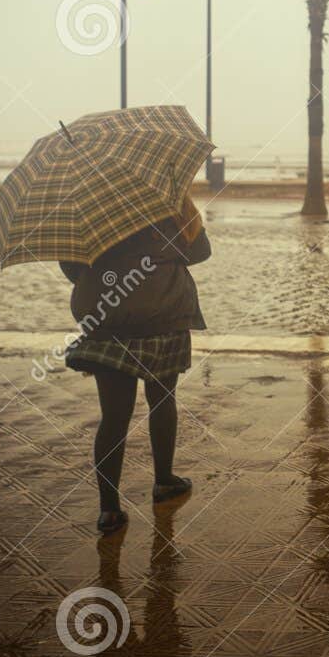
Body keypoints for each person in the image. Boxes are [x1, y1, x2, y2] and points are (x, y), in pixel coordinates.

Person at [61, 195, 210, 535]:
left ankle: (109, 510)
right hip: (163, 317)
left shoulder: (87, 211)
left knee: (114, 417)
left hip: (109, 322)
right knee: (162, 399)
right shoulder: (167, 207)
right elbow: (199, 251)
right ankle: (164, 481)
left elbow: (72, 269)